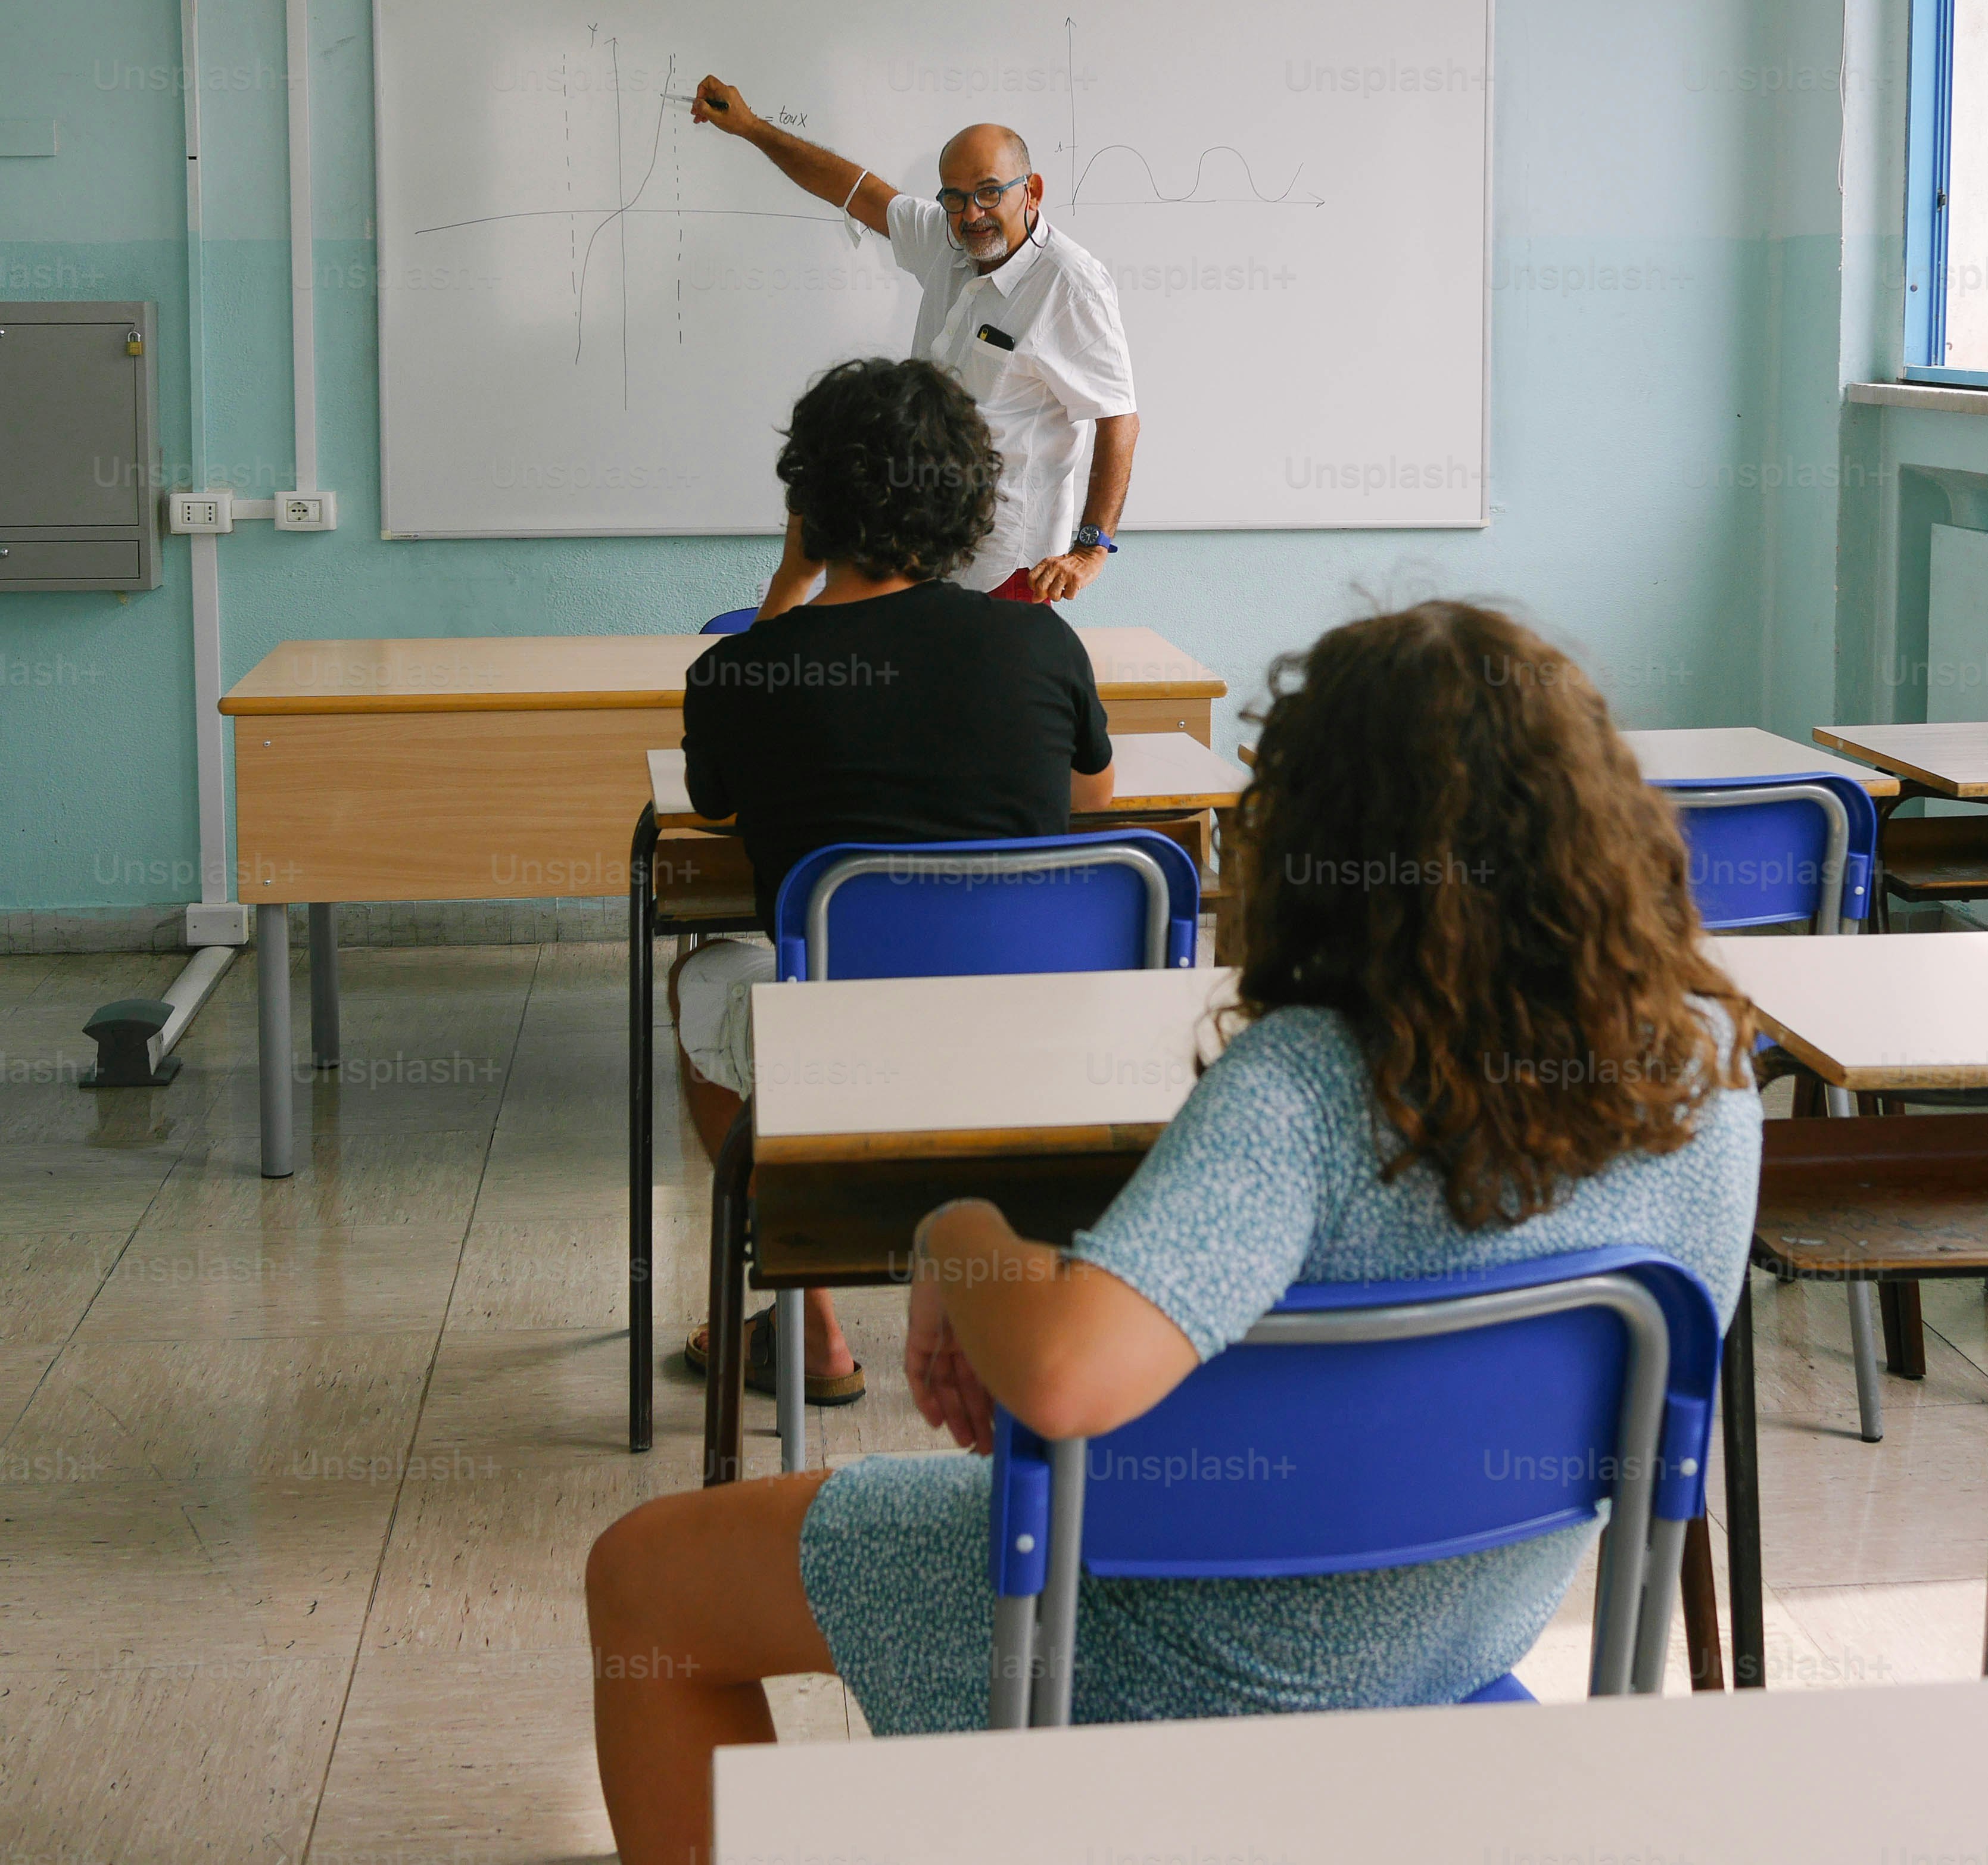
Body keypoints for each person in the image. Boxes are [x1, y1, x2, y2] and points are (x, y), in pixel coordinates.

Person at [587, 600, 1763, 1865]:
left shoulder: (1310, 1082)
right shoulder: (1708, 1074)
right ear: (1599, 815)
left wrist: (953, 1234)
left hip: (1171, 1644)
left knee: (645, 1576)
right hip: (1459, 1627)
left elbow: (1060, 1374)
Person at [672, 353, 1115, 1404]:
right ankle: (1031, 1286)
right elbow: (1088, 824)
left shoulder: (740, 676)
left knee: (700, 975)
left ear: (806, 503)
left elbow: (719, 813)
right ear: (969, 497)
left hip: (844, 1055)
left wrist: (785, 586)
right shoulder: (1037, 643)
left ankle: (811, 1324)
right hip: (1040, 1051)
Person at [691, 75, 1137, 606]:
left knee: (982, 689)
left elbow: (1118, 416)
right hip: (919, 547)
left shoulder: (1070, 284)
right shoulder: (945, 236)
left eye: (989, 192)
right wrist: (750, 128)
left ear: (1032, 191)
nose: (971, 214)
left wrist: (1091, 548)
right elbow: (853, 188)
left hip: (1008, 566)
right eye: (954, 197)